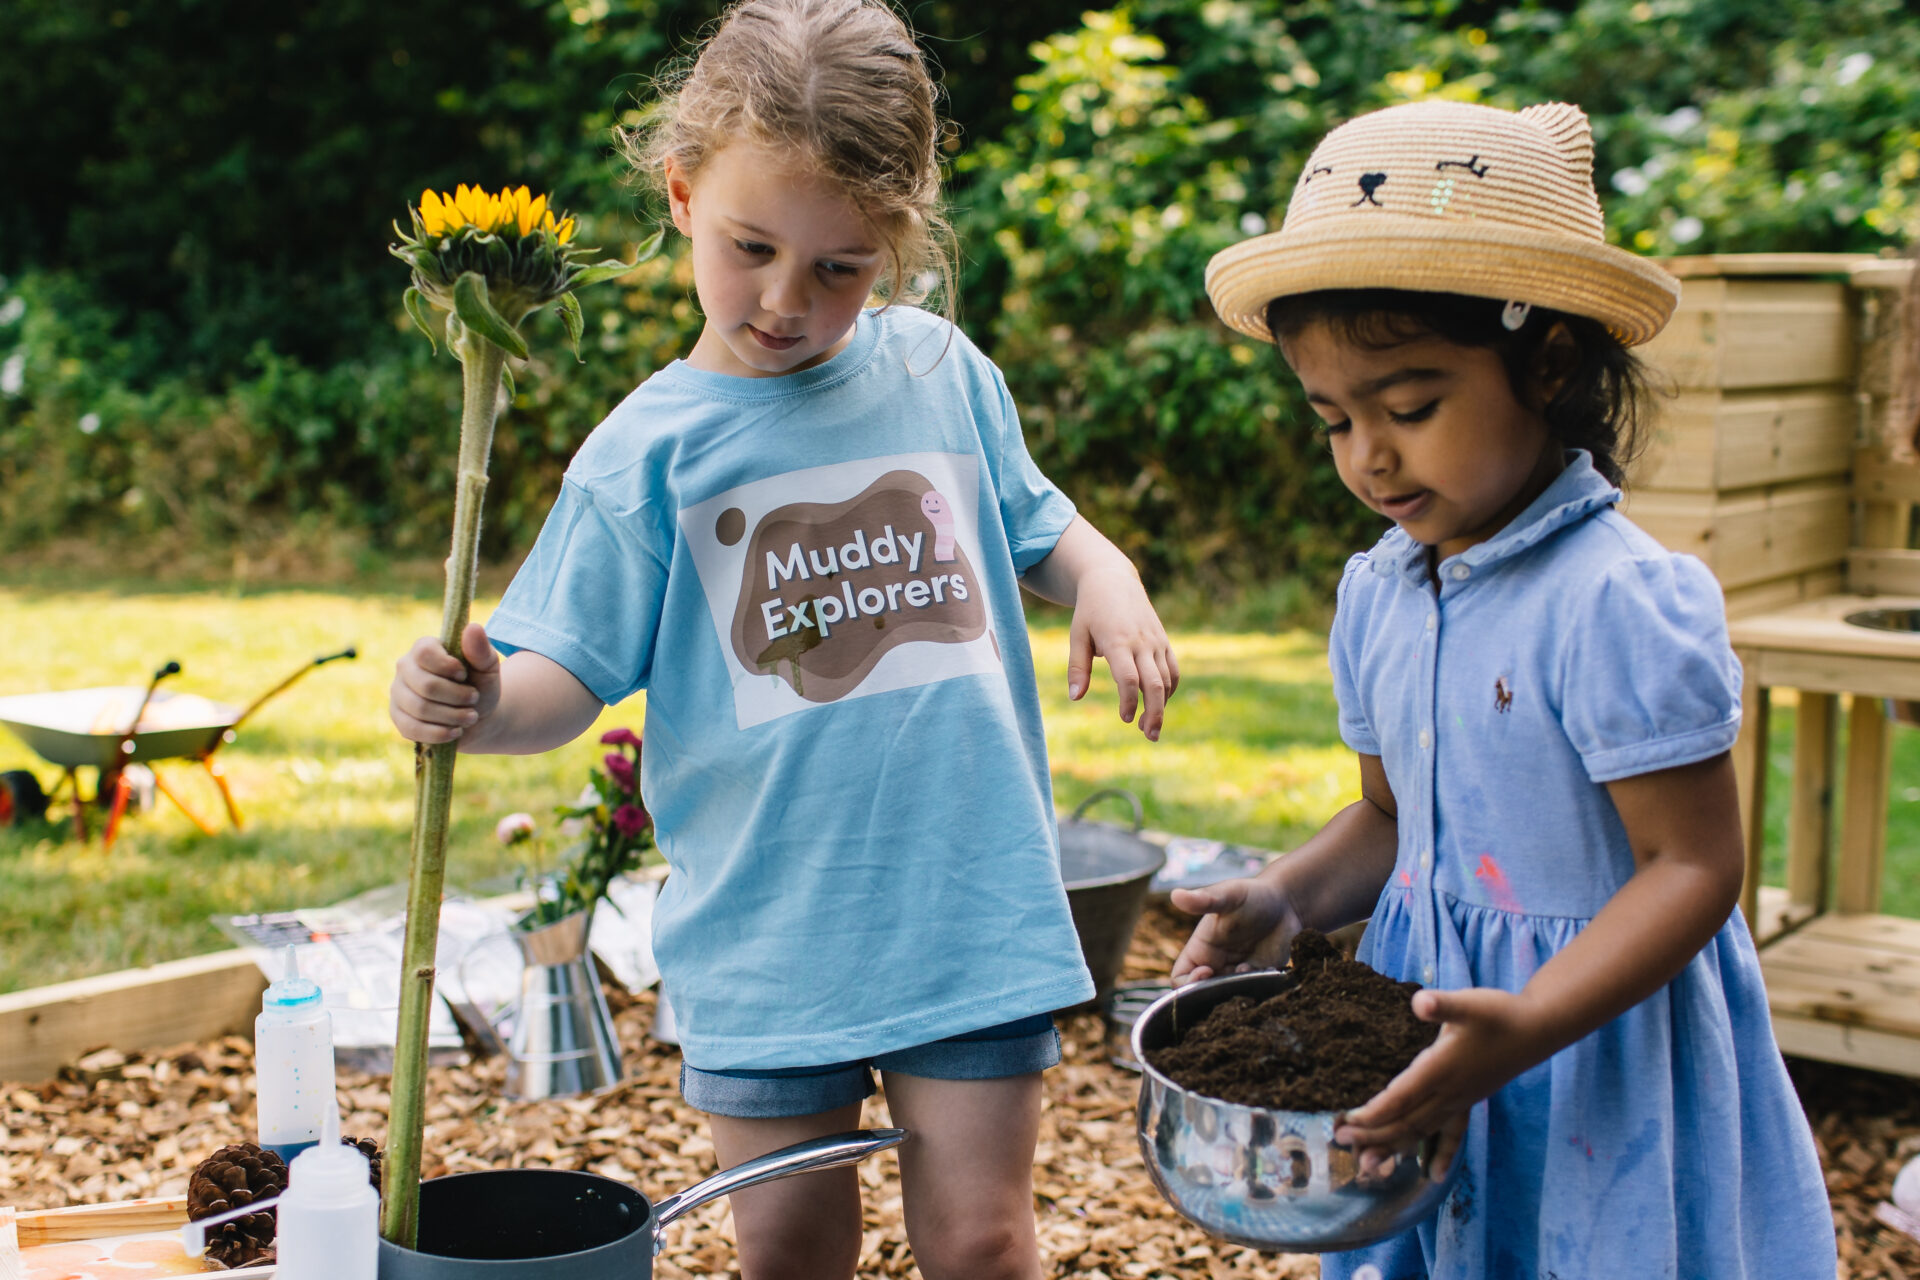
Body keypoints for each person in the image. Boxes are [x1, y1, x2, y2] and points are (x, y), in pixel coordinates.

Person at [389, 2, 1176, 1277]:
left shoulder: (940, 374)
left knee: (982, 1236)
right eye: (752, 246)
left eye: (841, 267)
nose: (785, 298)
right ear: (684, 192)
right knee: (792, 1243)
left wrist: (1107, 571)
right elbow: (561, 677)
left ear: (900, 249)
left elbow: (1043, 529)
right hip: (769, 930)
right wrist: (476, 699)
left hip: (961, 901)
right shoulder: (648, 452)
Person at [1172, 99, 1835, 1278]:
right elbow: (1388, 818)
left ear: (1550, 359)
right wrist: (1285, 897)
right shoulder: (1377, 593)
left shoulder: (1616, 600)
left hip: (1597, 1047)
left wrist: (1531, 1022)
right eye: (1334, 419)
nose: (1370, 455)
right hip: (1427, 1022)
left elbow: (1693, 866)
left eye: (1411, 406)